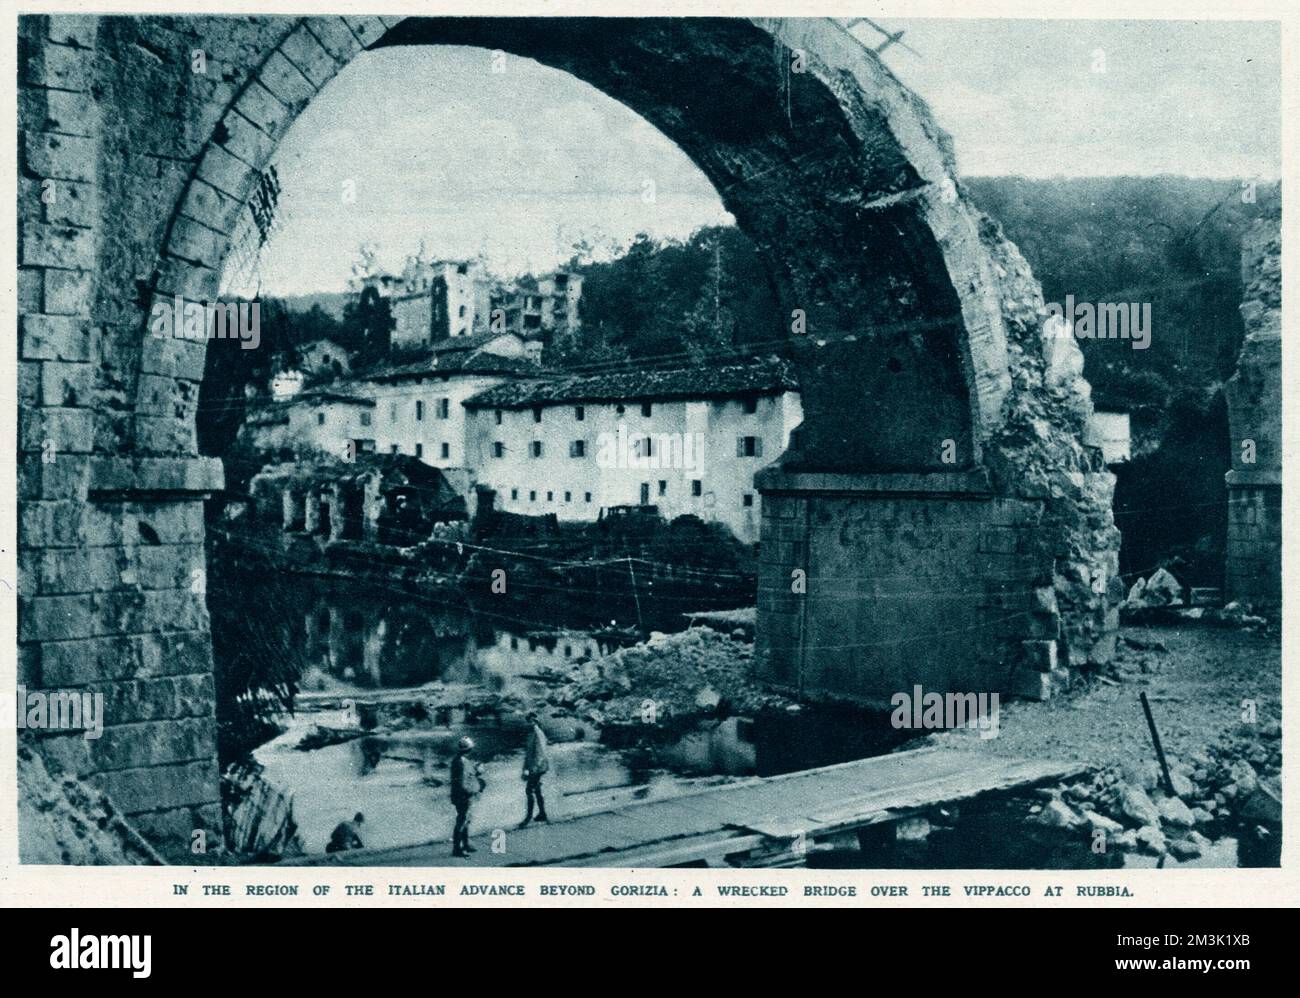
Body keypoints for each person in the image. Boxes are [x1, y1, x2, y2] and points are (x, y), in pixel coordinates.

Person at [450, 736, 484, 857]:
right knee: (462, 820)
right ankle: (457, 848)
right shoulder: (462, 762)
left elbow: (464, 776)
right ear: (468, 749)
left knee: (466, 820)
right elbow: (463, 782)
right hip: (464, 796)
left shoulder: (458, 760)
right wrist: (473, 791)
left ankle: (465, 844)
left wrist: (475, 770)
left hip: (458, 795)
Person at [520, 712, 550, 827]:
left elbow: (540, 754)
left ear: (536, 721)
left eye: (531, 721)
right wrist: (525, 768)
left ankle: (528, 818)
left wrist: (532, 770)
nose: (529, 723)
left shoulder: (538, 733)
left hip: (538, 767)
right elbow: (528, 754)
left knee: (529, 790)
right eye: (528, 721)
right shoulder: (532, 733)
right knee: (537, 790)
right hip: (535, 766)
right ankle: (542, 813)